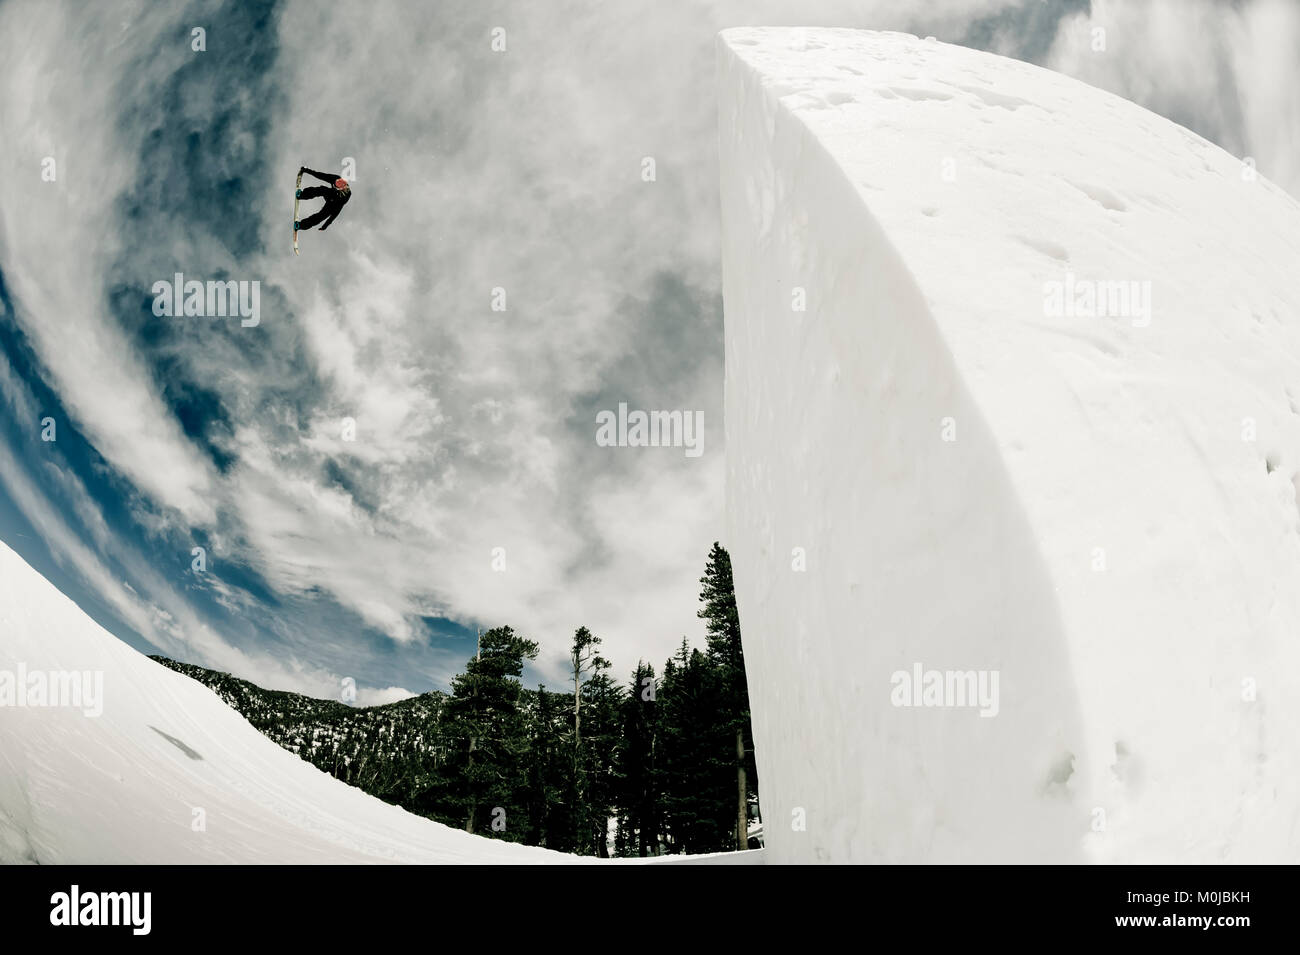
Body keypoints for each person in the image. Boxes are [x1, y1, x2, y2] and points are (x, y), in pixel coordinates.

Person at [295, 167, 351, 232]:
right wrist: (306, 170)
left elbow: (335, 214)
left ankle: (300, 225)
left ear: (340, 189)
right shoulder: (335, 178)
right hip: (330, 194)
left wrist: (325, 225)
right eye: (335, 184)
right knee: (322, 190)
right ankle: (302, 195)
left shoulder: (344, 198)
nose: (334, 184)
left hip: (333, 206)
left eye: (335, 186)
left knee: (319, 217)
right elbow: (320, 175)